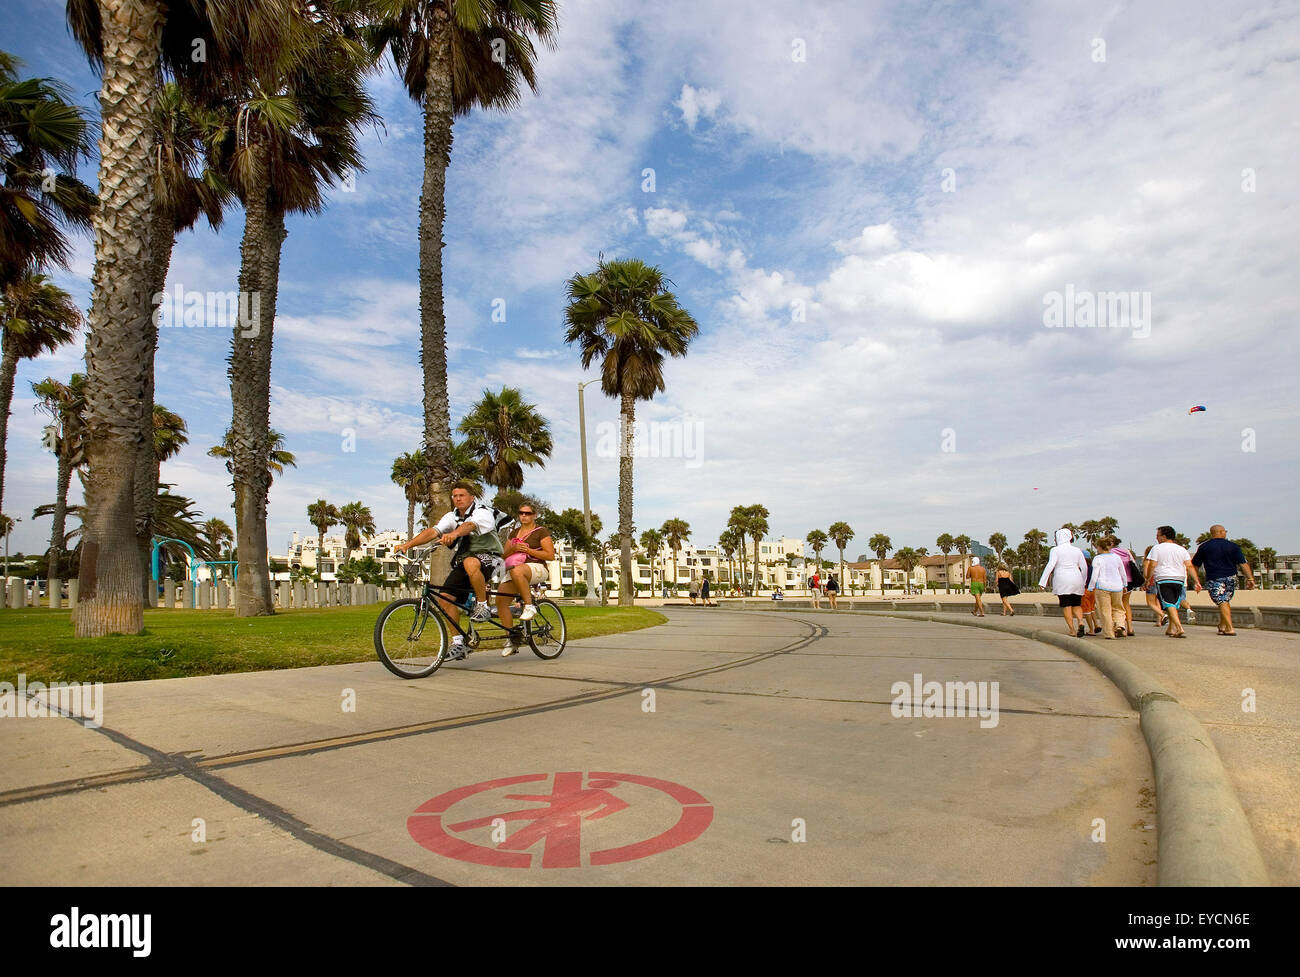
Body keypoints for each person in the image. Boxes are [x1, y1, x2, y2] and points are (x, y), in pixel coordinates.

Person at [394, 481, 504, 659]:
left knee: (469, 562)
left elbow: (470, 526)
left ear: (472, 497)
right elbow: (433, 531)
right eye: (455, 496)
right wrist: (408, 545)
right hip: (468, 561)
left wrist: (453, 534)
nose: (458, 499)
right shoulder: (451, 516)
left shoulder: (482, 511)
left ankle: (483, 606)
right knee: (445, 599)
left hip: (491, 558)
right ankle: (459, 643)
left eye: (462, 495)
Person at [494, 504, 555, 656]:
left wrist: (528, 550)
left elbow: (550, 555)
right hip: (516, 569)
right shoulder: (514, 533)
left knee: (517, 571)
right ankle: (511, 640)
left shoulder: (541, 532)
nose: (524, 516)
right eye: (521, 513)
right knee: (500, 601)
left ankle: (529, 606)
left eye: (527, 513)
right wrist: (513, 549)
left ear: (534, 515)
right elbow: (503, 555)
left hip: (537, 568)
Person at [1191, 525, 1256, 635]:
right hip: (1231, 577)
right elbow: (1243, 563)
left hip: (1214, 578)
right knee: (1225, 600)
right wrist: (1250, 578)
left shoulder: (1204, 547)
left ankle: (1229, 628)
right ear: (1221, 532)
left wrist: (1196, 580)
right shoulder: (1233, 546)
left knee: (1222, 600)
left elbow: (1195, 565)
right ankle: (1222, 625)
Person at [1143, 526, 1202, 638]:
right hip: (1179, 579)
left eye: (1158, 535)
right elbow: (1189, 566)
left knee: (1168, 604)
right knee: (1173, 603)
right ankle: (1171, 629)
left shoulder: (1157, 548)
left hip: (1163, 578)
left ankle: (1179, 628)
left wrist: (1148, 580)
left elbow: (1152, 565)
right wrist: (1196, 581)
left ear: (1164, 537)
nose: (1157, 538)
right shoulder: (1181, 549)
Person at [1039, 528, 1088, 636]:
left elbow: (1050, 565)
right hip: (1077, 578)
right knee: (1076, 604)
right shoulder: (1077, 550)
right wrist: (1083, 581)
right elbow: (1084, 568)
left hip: (1062, 579)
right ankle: (1080, 621)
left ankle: (1072, 630)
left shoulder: (1055, 550)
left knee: (1066, 605)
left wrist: (1043, 582)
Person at [1087, 536, 1128, 639]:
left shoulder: (1098, 558)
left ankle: (1109, 633)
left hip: (1103, 587)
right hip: (1117, 586)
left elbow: (1095, 574)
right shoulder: (1116, 557)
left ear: (1100, 547)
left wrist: (1091, 587)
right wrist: (1125, 584)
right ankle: (1119, 625)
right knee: (1118, 608)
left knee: (1105, 611)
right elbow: (1122, 572)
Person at [1111, 540, 1142, 635]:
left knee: (1116, 606)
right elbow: (1134, 565)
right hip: (1129, 581)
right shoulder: (1126, 551)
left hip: (1117, 582)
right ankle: (1130, 628)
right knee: (1126, 604)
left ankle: (1120, 627)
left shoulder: (1110, 553)